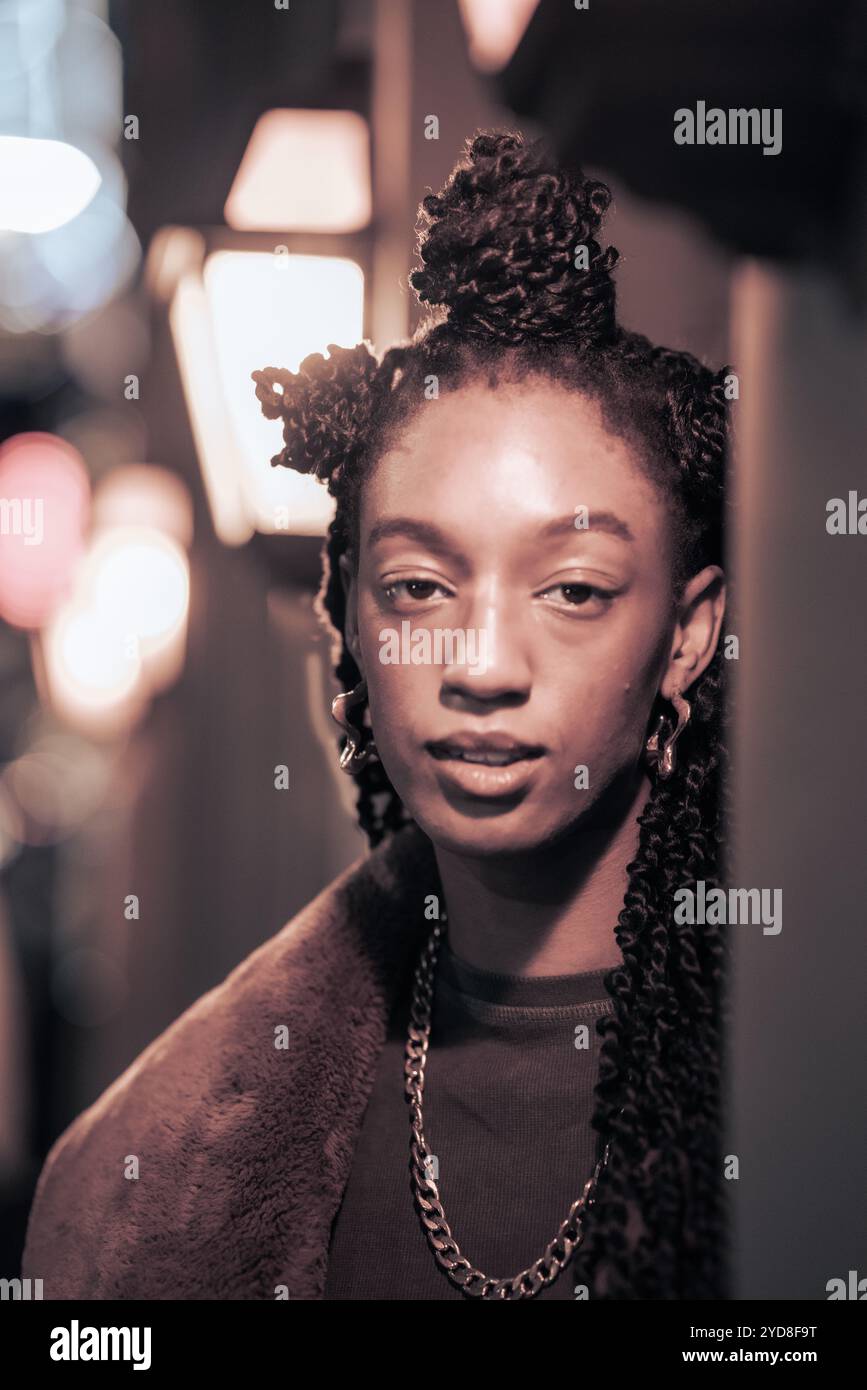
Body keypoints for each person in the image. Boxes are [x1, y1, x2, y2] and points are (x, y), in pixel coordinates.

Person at [22, 130, 731, 1301]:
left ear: (690, 633)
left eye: (573, 590)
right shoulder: (152, 1177)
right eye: (419, 586)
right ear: (347, 617)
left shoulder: (805, 1074)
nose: (482, 662)